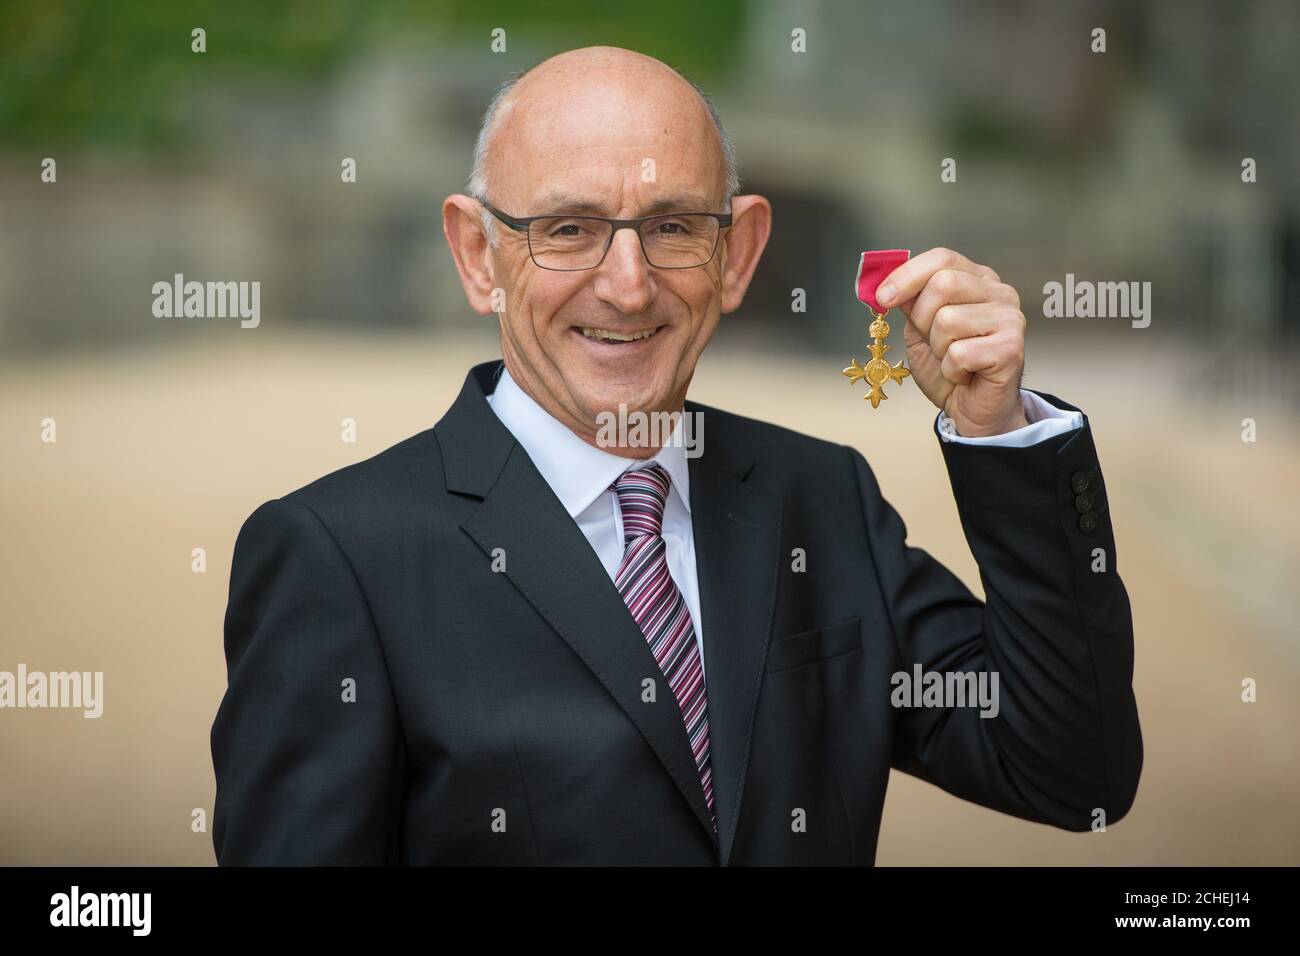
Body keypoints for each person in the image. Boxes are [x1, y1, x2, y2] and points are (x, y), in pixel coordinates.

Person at [211, 45, 1141, 865]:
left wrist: (1000, 429)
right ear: (477, 254)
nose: (628, 285)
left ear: (737, 255)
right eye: (567, 229)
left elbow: (1072, 770)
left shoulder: (822, 500)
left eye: (672, 226)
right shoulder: (334, 556)